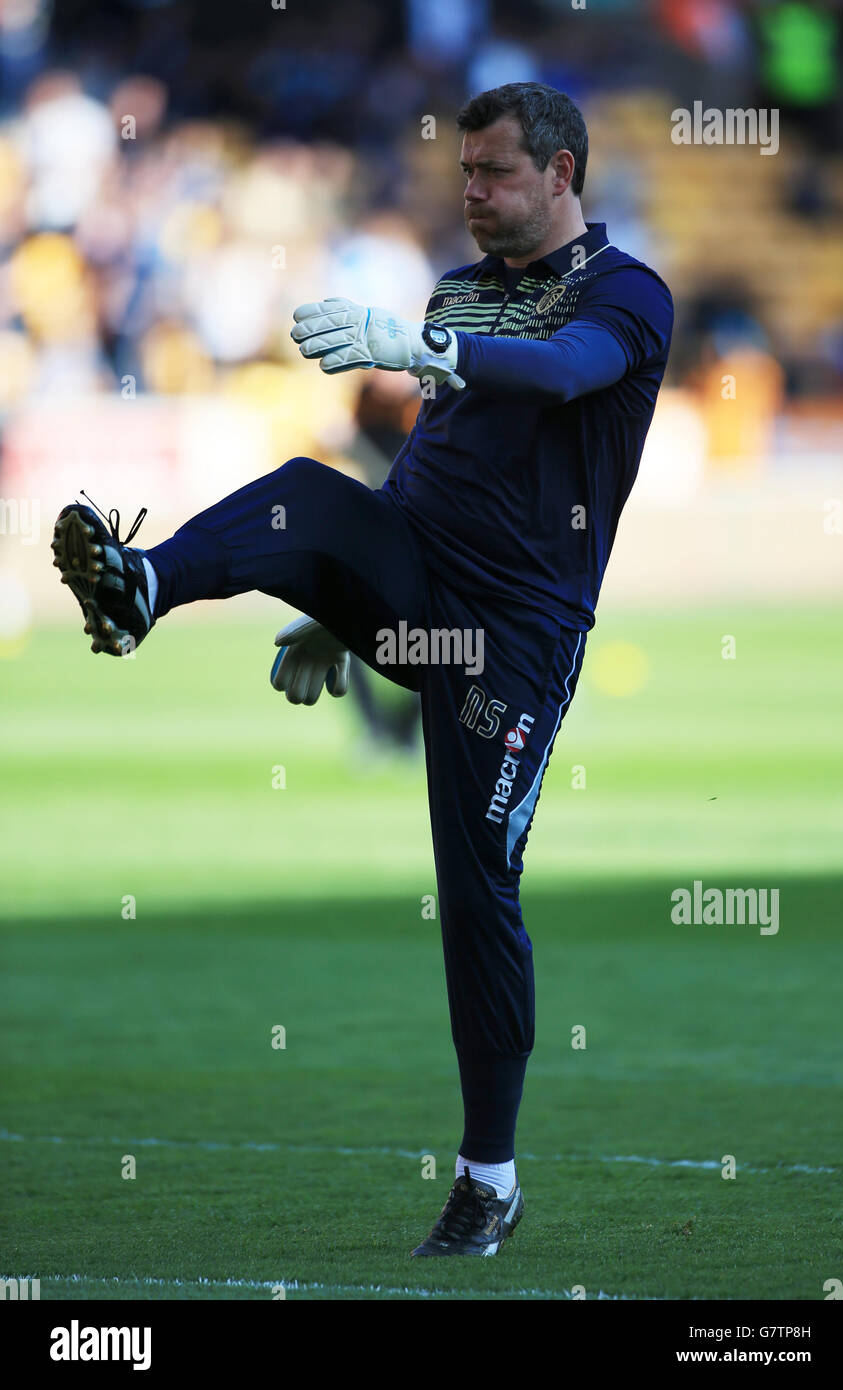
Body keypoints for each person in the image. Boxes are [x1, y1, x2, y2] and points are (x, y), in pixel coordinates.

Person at [51, 82, 673, 1258]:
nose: (473, 193)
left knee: (477, 889)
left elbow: (562, 374)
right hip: (423, 582)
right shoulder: (462, 287)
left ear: (564, 171)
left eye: (493, 173)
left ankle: (489, 1178)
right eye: (465, 176)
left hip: (516, 641)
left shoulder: (624, 291)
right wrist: (339, 607)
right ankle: (141, 588)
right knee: (307, 489)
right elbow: (427, 474)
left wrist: (419, 343)